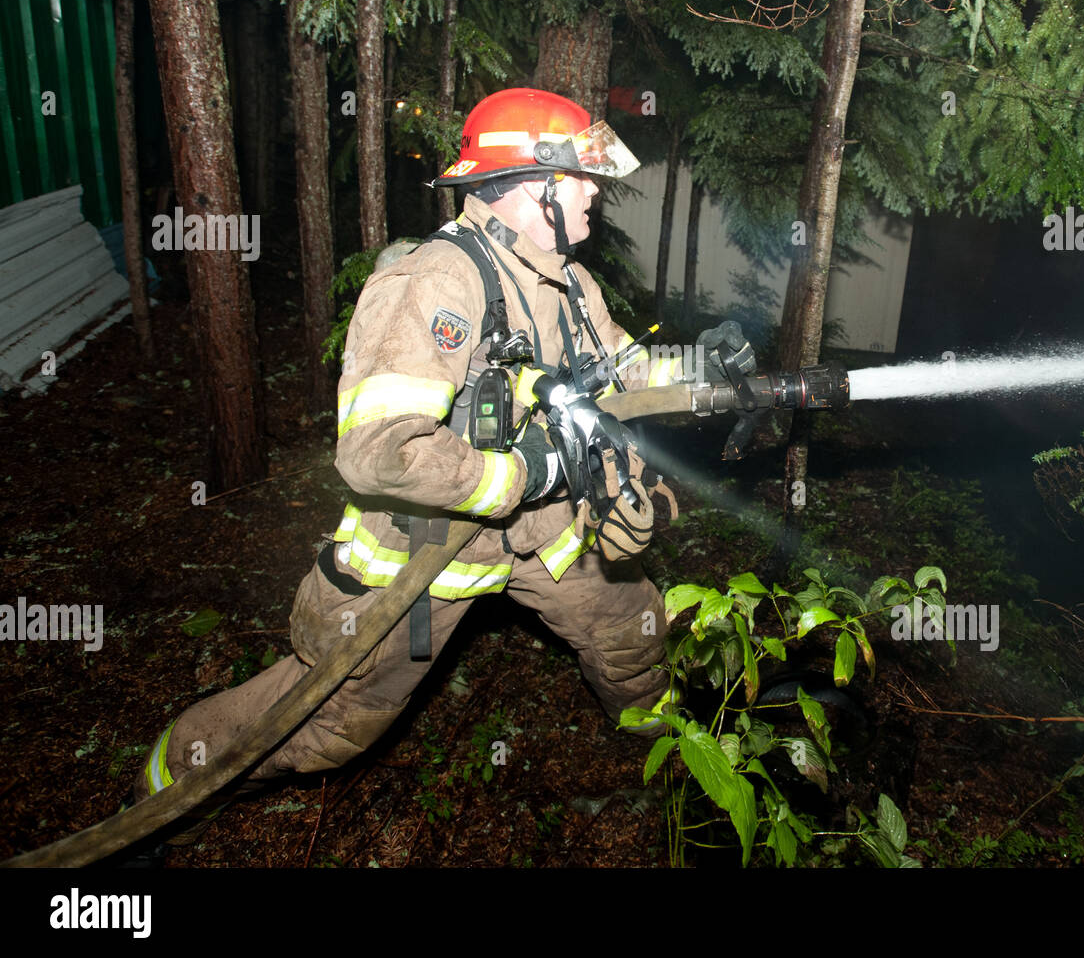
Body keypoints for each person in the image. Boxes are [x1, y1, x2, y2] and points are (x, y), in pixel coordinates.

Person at [133, 88, 684, 821]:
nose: (595, 191)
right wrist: (521, 473)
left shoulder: (569, 283)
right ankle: (166, 782)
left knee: (629, 628)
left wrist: (708, 381)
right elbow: (378, 452)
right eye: (579, 176)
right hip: (429, 550)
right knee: (333, 722)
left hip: (538, 530)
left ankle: (676, 766)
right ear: (529, 185)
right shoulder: (434, 283)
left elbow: (626, 375)